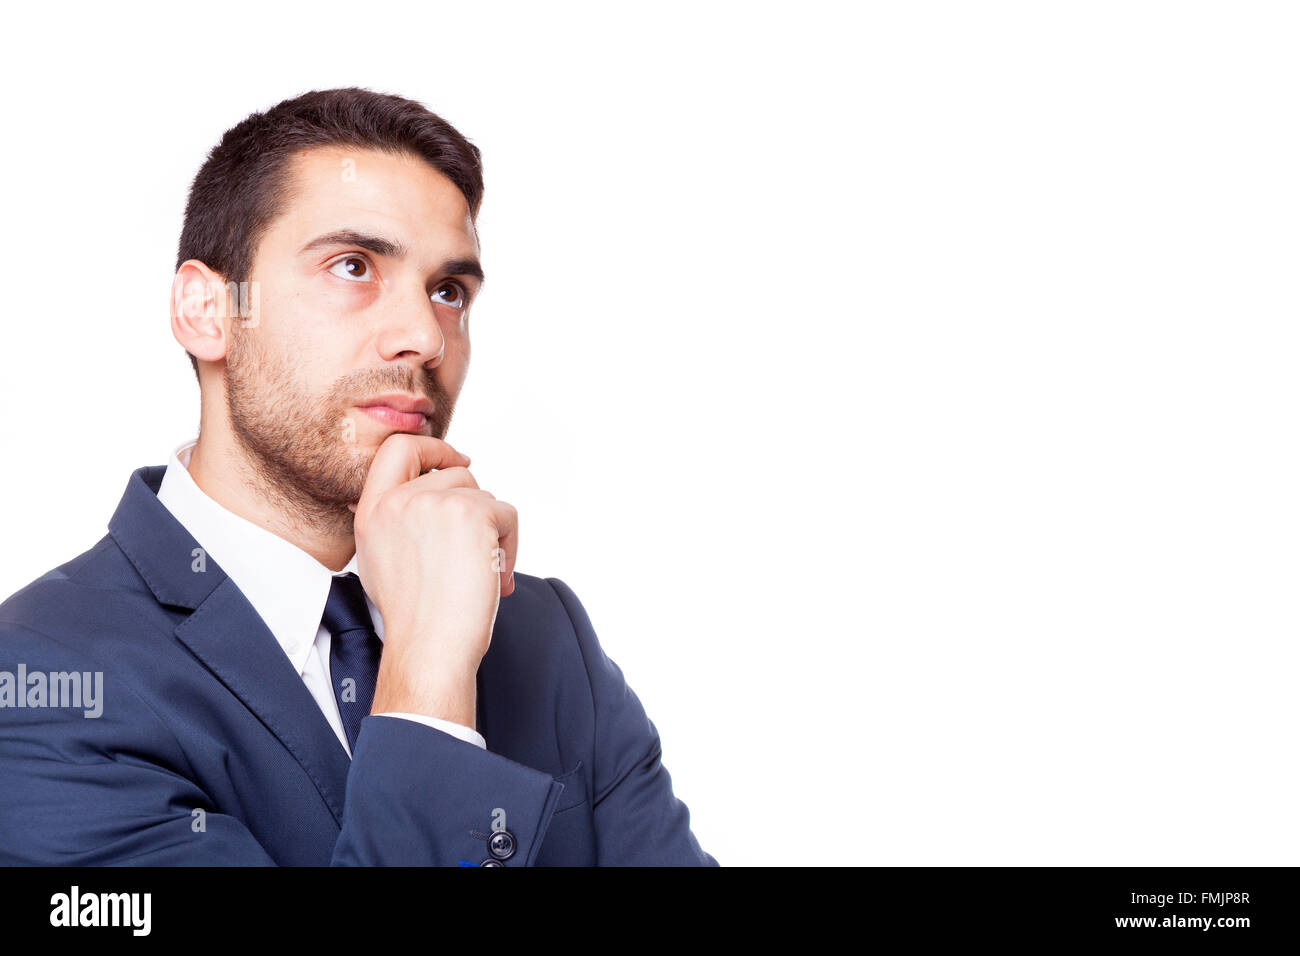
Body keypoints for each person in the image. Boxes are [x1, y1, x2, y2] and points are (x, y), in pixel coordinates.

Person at [0, 87, 715, 867]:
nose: (422, 337)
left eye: (448, 292)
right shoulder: (43, 677)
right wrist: (431, 668)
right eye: (353, 267)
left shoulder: (542, 637)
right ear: (207, 310)